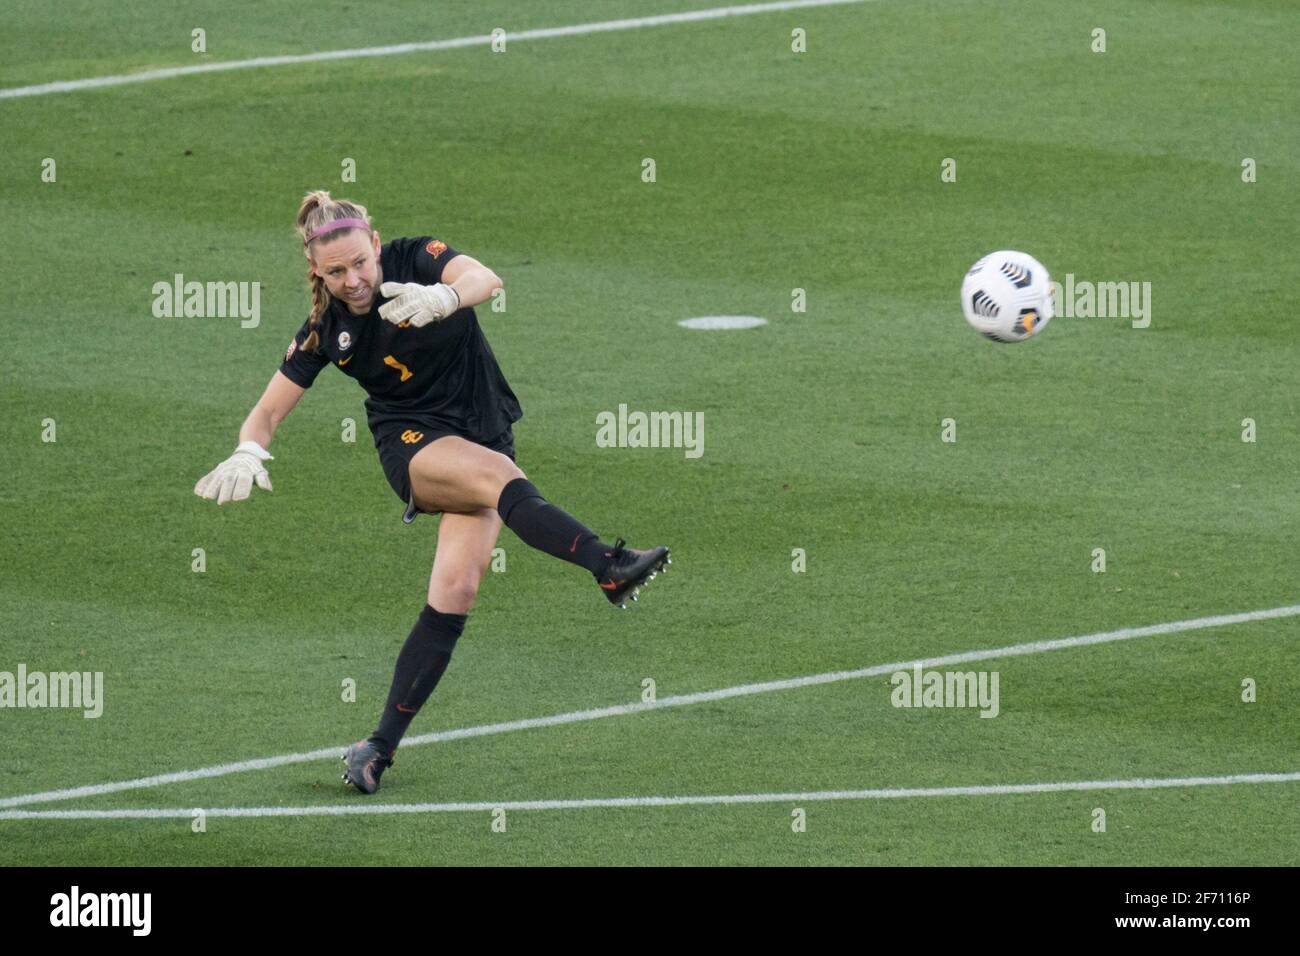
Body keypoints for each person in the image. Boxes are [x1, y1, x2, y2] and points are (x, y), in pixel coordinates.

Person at [194, 190, 671, 794]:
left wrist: (445, 295)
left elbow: (485, 278)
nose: (353, 280)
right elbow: (266, 414)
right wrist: (248, 450)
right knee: (501, 480)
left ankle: (375, 750)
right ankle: (608, 565)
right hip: (415, 445)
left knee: (455, 592)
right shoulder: (326, 328)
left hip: (482, 430)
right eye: (335, 272)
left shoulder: (418, 258)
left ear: (374, 244)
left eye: (360, 264)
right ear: (317, 271)